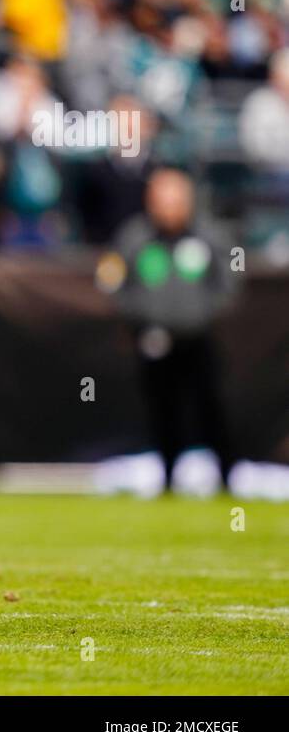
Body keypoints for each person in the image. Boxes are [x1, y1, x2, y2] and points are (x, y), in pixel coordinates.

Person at [109, 167, 238, 490]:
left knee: (210, 409)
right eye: (162, 198)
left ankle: (226, 477)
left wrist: (201, 314)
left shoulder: (211, 237)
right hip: (153, 341)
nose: (169, 206)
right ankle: (167, 476)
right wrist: (142, 317)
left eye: (176, 198)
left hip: (199, 339)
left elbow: (231, 280)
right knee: (161, 410)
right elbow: (112, 280)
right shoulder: (133, 237)